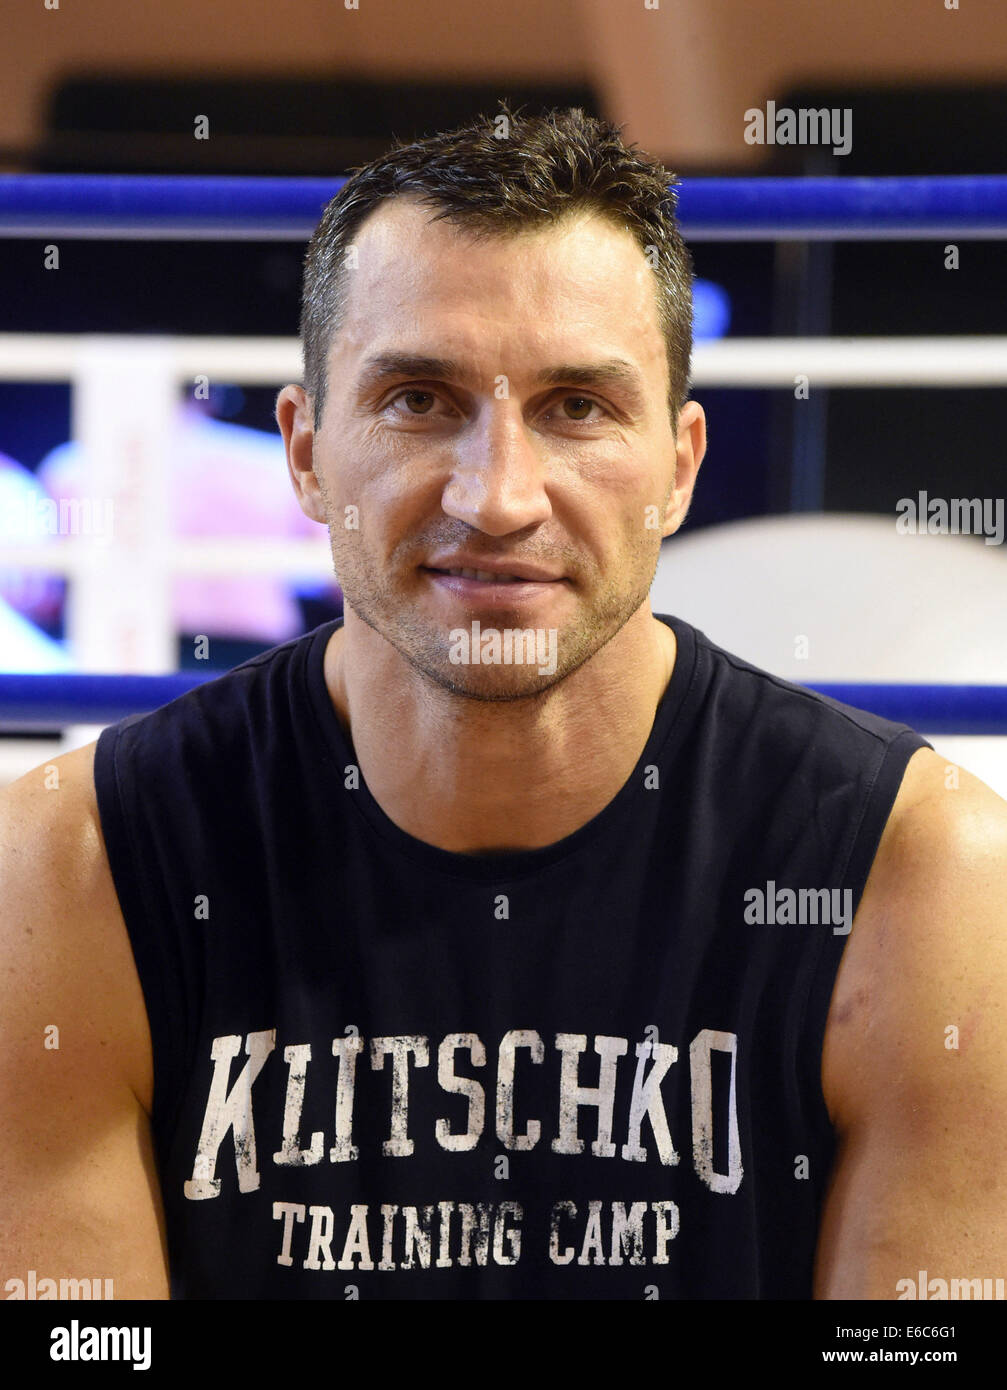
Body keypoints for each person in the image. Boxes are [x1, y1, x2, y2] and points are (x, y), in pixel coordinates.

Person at [3, 106, 1006, 1301]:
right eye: (418, 399)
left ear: (678, 465)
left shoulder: (923, 877)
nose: (497, 497)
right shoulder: (73, 869)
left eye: (577, 406)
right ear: (307, 453)